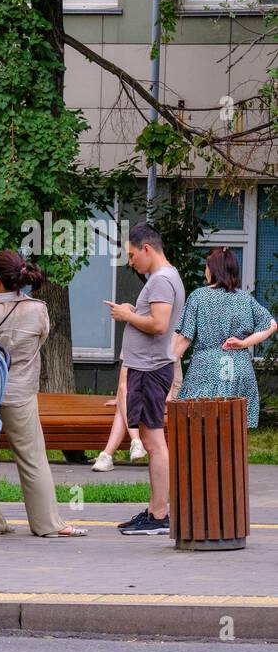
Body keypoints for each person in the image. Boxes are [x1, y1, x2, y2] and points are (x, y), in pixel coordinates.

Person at [0, 250, 86, 537]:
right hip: (22, 392)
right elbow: (41, 339)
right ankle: (47, 524)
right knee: (33, 457)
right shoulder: (38, 310)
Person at [105, 221, 186, 536]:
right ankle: (155, 510)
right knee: (153, 441)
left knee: (154, 442)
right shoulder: (165, 278)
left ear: (147, 249)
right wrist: (131, 311)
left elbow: (159, 325)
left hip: (151, 369)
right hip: (151, 367)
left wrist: (126, 316)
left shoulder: (161, 281)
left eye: (132, 254)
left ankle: (159, 515)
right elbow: (152, 319)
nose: (130, 261)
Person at [173, 246, 276, 428]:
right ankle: (232, 457)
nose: (205, 271)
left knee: (198, 424)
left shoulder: (198, 297)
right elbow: (272, 324)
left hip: (206, 370)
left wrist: (166, 360)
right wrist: (243, 343)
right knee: (234, 426)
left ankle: (205, 456)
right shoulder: (245, 298)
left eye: (207, 266)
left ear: (213, 269)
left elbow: (184, 337)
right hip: (239, 369)